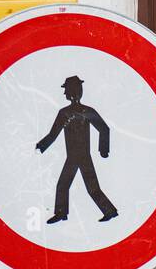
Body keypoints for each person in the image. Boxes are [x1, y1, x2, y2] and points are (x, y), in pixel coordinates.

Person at [36, 75, 119, 224]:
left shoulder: (69, 113)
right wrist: (103, 150)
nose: (65, 94)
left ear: (71, 91)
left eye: (66, 90)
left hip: (77, 156)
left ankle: (64, 213)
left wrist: (103, 149)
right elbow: (54, 134)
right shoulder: (76, 112)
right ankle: (109, 211)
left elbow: (104, 129)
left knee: (68, 185)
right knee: (87, 187)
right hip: (78, 156)